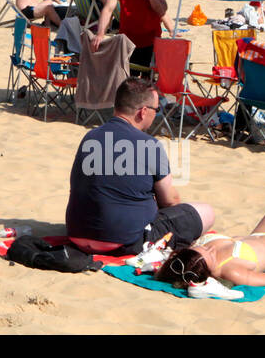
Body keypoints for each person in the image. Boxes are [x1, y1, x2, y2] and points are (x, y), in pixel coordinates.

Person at [65, 78, 214, 255]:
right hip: (125, 241)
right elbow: (170, 201)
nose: (157, 114)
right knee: (206, 212)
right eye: (156, 110)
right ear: (143, 112)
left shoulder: (90, 137)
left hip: (77, 234)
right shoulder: (150, 145)